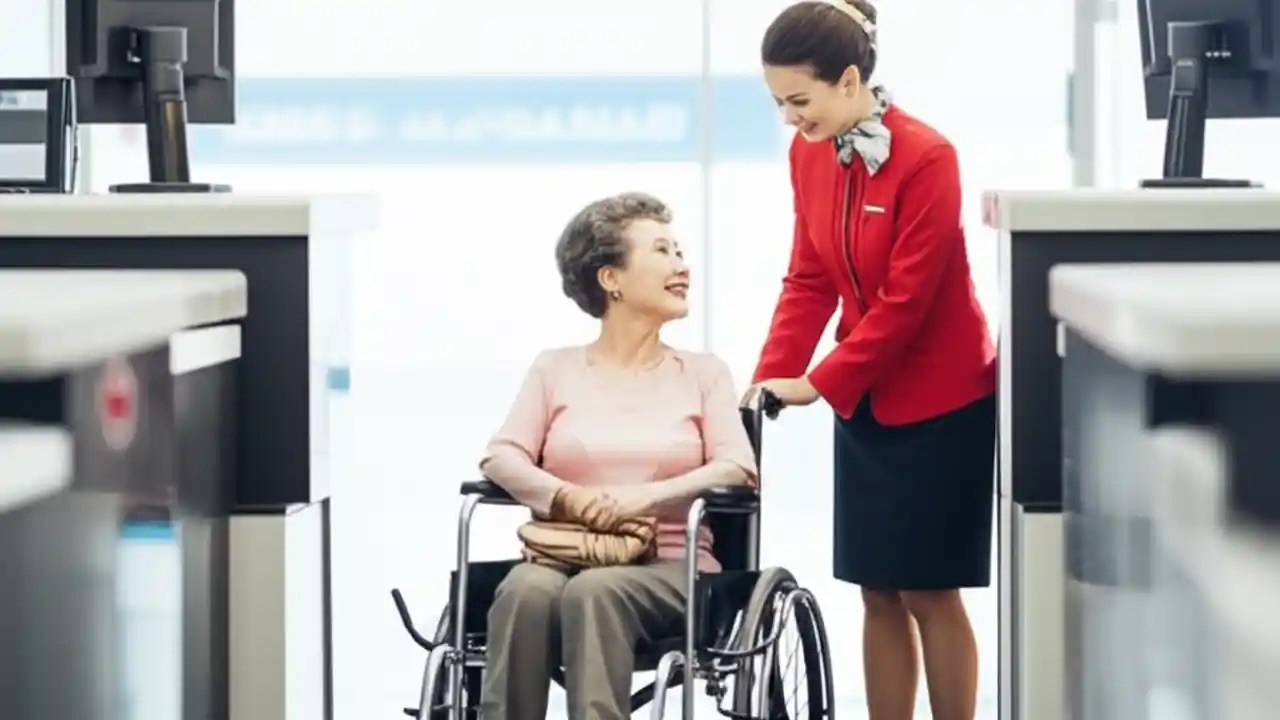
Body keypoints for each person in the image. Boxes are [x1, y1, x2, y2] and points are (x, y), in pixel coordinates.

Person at [744, 2, 998, 719]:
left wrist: (817, 383)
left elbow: (906, 301)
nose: (791, 119)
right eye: (778, 104)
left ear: (849, 79)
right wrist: (772, 375)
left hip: (941, 402)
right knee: (876, 586)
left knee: (927, 588)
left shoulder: (927, 157)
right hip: (864, 402)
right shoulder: (807, 154)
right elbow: (809, 277)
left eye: (800, 101)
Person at [478, 192, 759, 720]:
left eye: (678, 251)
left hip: (672, 564)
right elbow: (501, 457)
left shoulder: (702, 373)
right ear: (611, 278)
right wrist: (568, 498)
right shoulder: (554, 369)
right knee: (524, 591)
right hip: (567, 551)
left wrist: (643, 499)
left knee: (597, 591)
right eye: (662, 251)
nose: (681, 265)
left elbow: (737, 467)